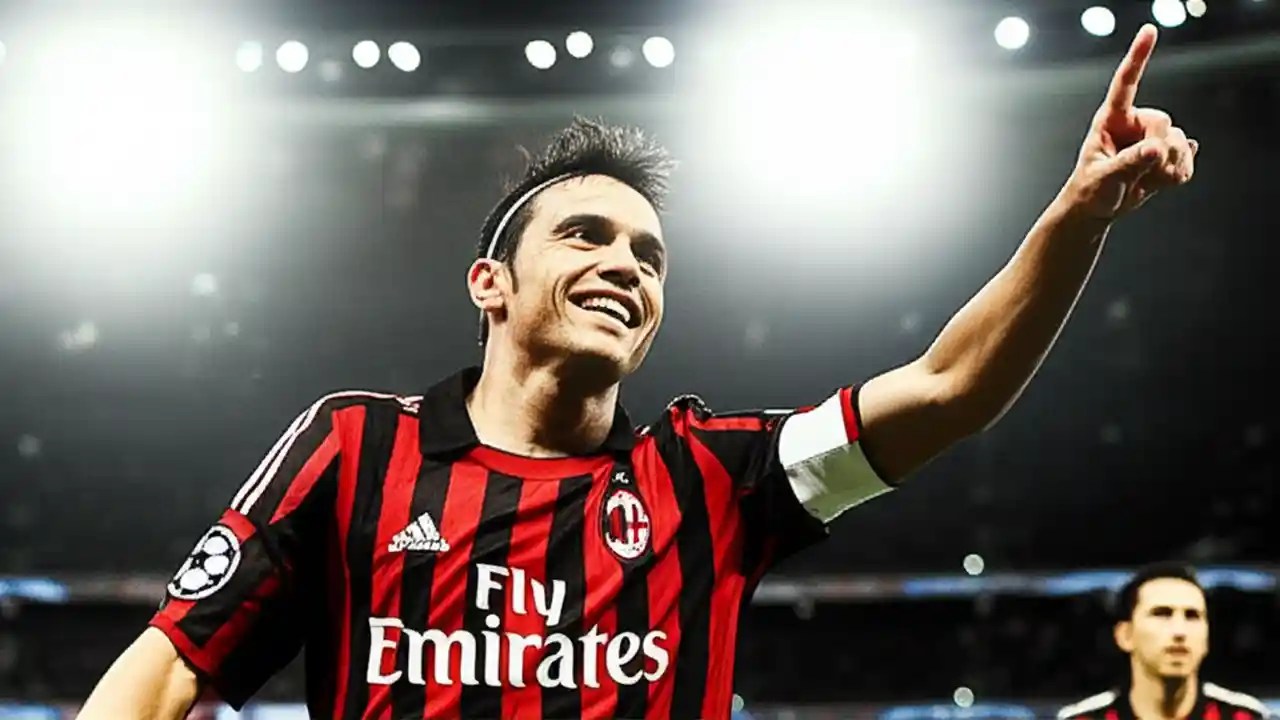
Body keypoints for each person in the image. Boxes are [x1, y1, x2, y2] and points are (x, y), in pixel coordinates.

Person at [79, 25, 1198, 720]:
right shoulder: (353, 446)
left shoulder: (716, 479)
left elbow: (950, 388)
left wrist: (1077, 217)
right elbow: (169, 669)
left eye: (649, 256)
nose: (626, 265)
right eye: (585, 237)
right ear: (489, 284)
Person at [1057, 563, 1271, 720]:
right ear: (1125, 635)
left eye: (1192, 616)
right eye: (1162, 614)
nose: (1180, 631)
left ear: (1206, 638)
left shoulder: (1244, 717)